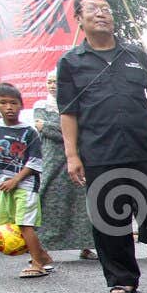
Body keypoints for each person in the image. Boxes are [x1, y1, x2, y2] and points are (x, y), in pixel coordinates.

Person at [55, 0, 147, 293]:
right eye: (93, 9)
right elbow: (68, 112)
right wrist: (71, 154)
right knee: (109, 218)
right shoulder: (71, 63)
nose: (101, 14)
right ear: (79, 19)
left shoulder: (136, 55)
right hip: (98, 152)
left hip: (142, 150)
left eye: (106, 9)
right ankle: (122, 278)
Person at [0, 83, 48, 278]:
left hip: (26, 185)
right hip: (3, 186)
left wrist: (16, 180)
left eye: (13, 103)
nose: (9, 107)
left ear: (21, 105)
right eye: (3, 103)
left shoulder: (29, 131)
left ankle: (38, 263)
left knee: (24, 224)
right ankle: (42, 255)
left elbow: (35, 161)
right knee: (8, 224)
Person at [32, 70, 96, 262]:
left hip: (77, 158)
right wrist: (64, 130)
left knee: (82, 203)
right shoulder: (41, 106)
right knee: (47, 199)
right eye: (49, 82)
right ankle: (41, 248)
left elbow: (77, 130)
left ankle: (86, 246)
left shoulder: (77, 104)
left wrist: (50, 127)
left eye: (56, 81)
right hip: (51, 159)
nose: (52, 85)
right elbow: (43, 128)